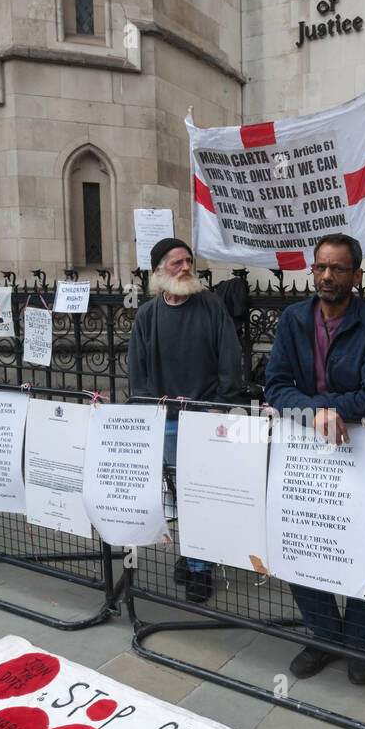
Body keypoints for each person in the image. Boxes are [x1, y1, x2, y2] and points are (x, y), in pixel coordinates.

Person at [263, 232, 365, 685]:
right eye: (320, 266)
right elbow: (274, 386)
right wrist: (316, 411)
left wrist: (329, 408)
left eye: (338, 268)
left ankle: (358, 643)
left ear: (357, 275)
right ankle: (323, 635)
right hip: (301, 455)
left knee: (363, 543)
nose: (326, 276)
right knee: (301, 538)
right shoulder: (293, 320)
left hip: (355, 452)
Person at [128, 237, 243, 602]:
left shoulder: (210, 305)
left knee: (199, 495)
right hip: (168, 422)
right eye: (177, 263)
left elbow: (230, 357)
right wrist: (150, 412)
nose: (186, 268)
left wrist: (221, 404)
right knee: (177, 496)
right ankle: (192, 556)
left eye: (189, 261)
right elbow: (138, 371)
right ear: (159, 270)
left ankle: (199, 571)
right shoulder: (147, 314)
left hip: (206, 419)